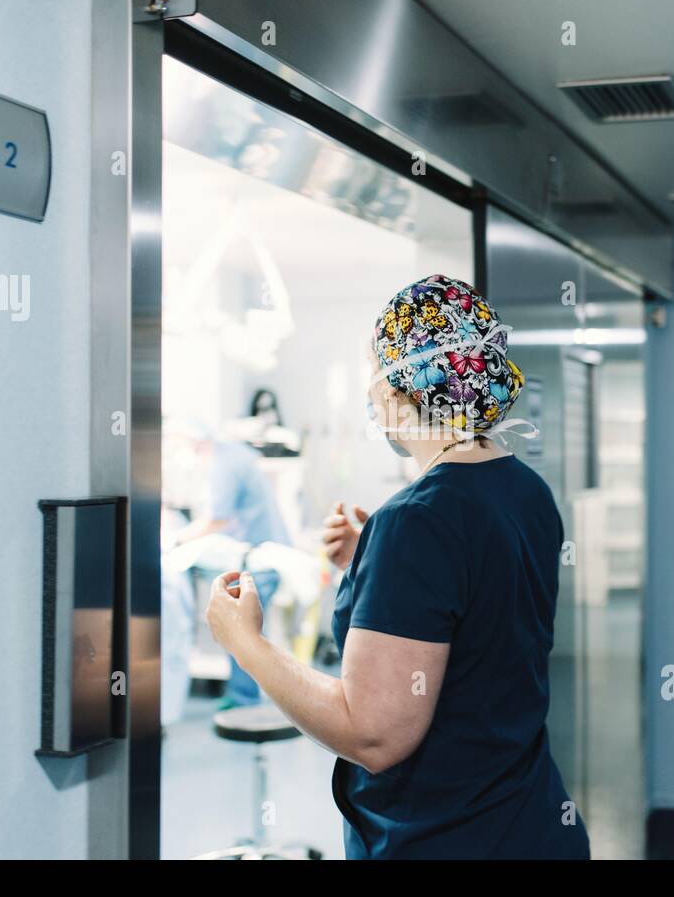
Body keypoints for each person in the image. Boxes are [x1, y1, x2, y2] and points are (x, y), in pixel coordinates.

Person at [204, 273, 589, 859]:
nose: (371, 388)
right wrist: (370, 564)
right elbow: (473, 605)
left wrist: (245, 643)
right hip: (528, 820)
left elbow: (373, 734)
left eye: (374, 368)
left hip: (446, 837)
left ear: (403, 386)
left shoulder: (418, 521)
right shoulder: (523, 490)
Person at [160, 419, 288, 721]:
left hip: (255, 558)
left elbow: (219, 519)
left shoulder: (224, 464)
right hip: (259, 553)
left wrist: (176, 538)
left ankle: (245, 704)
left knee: (244, 630)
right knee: (248, 629)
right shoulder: (234, 454)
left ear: (194, 440)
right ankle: (245, 698)